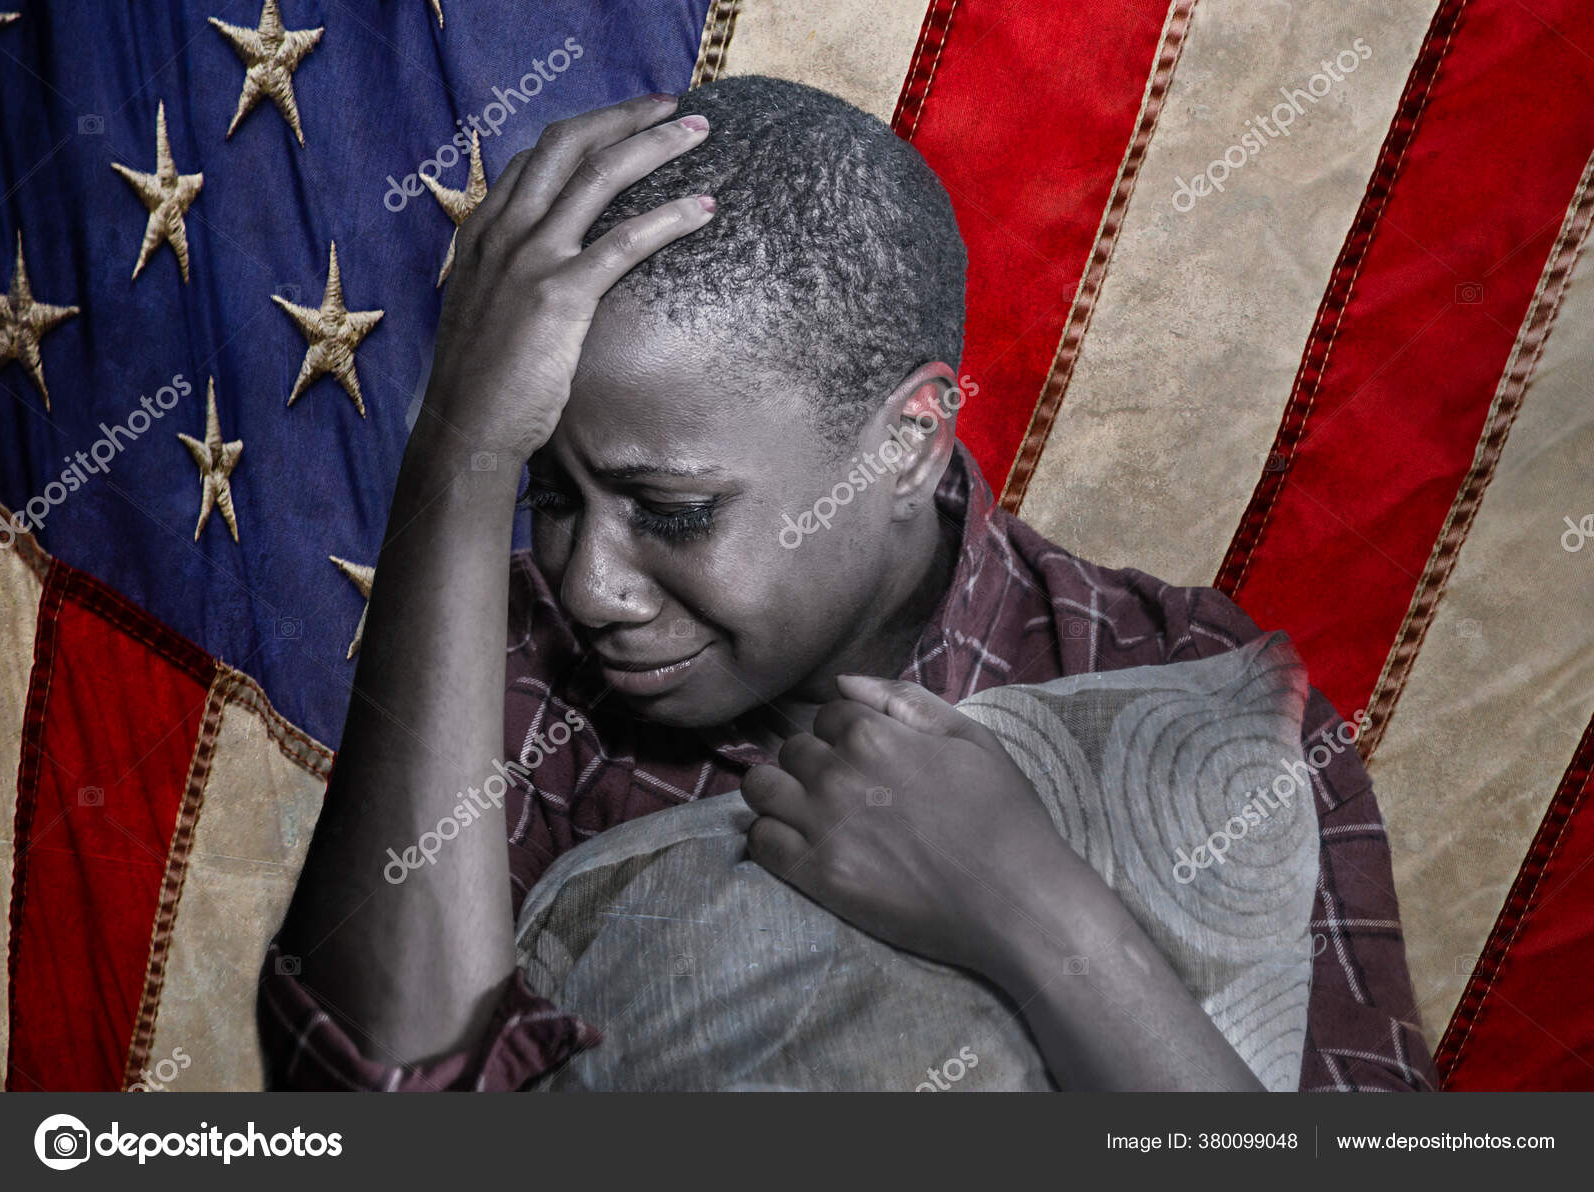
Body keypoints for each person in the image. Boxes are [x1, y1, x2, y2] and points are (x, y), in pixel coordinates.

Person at [260, 76, 1434, 1092]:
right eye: (548, 494)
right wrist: (456, 460)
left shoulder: (1187, 691)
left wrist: (1032, 912)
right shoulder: (508, 661)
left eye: (671, 510)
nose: (589, 583)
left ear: (907, 440)